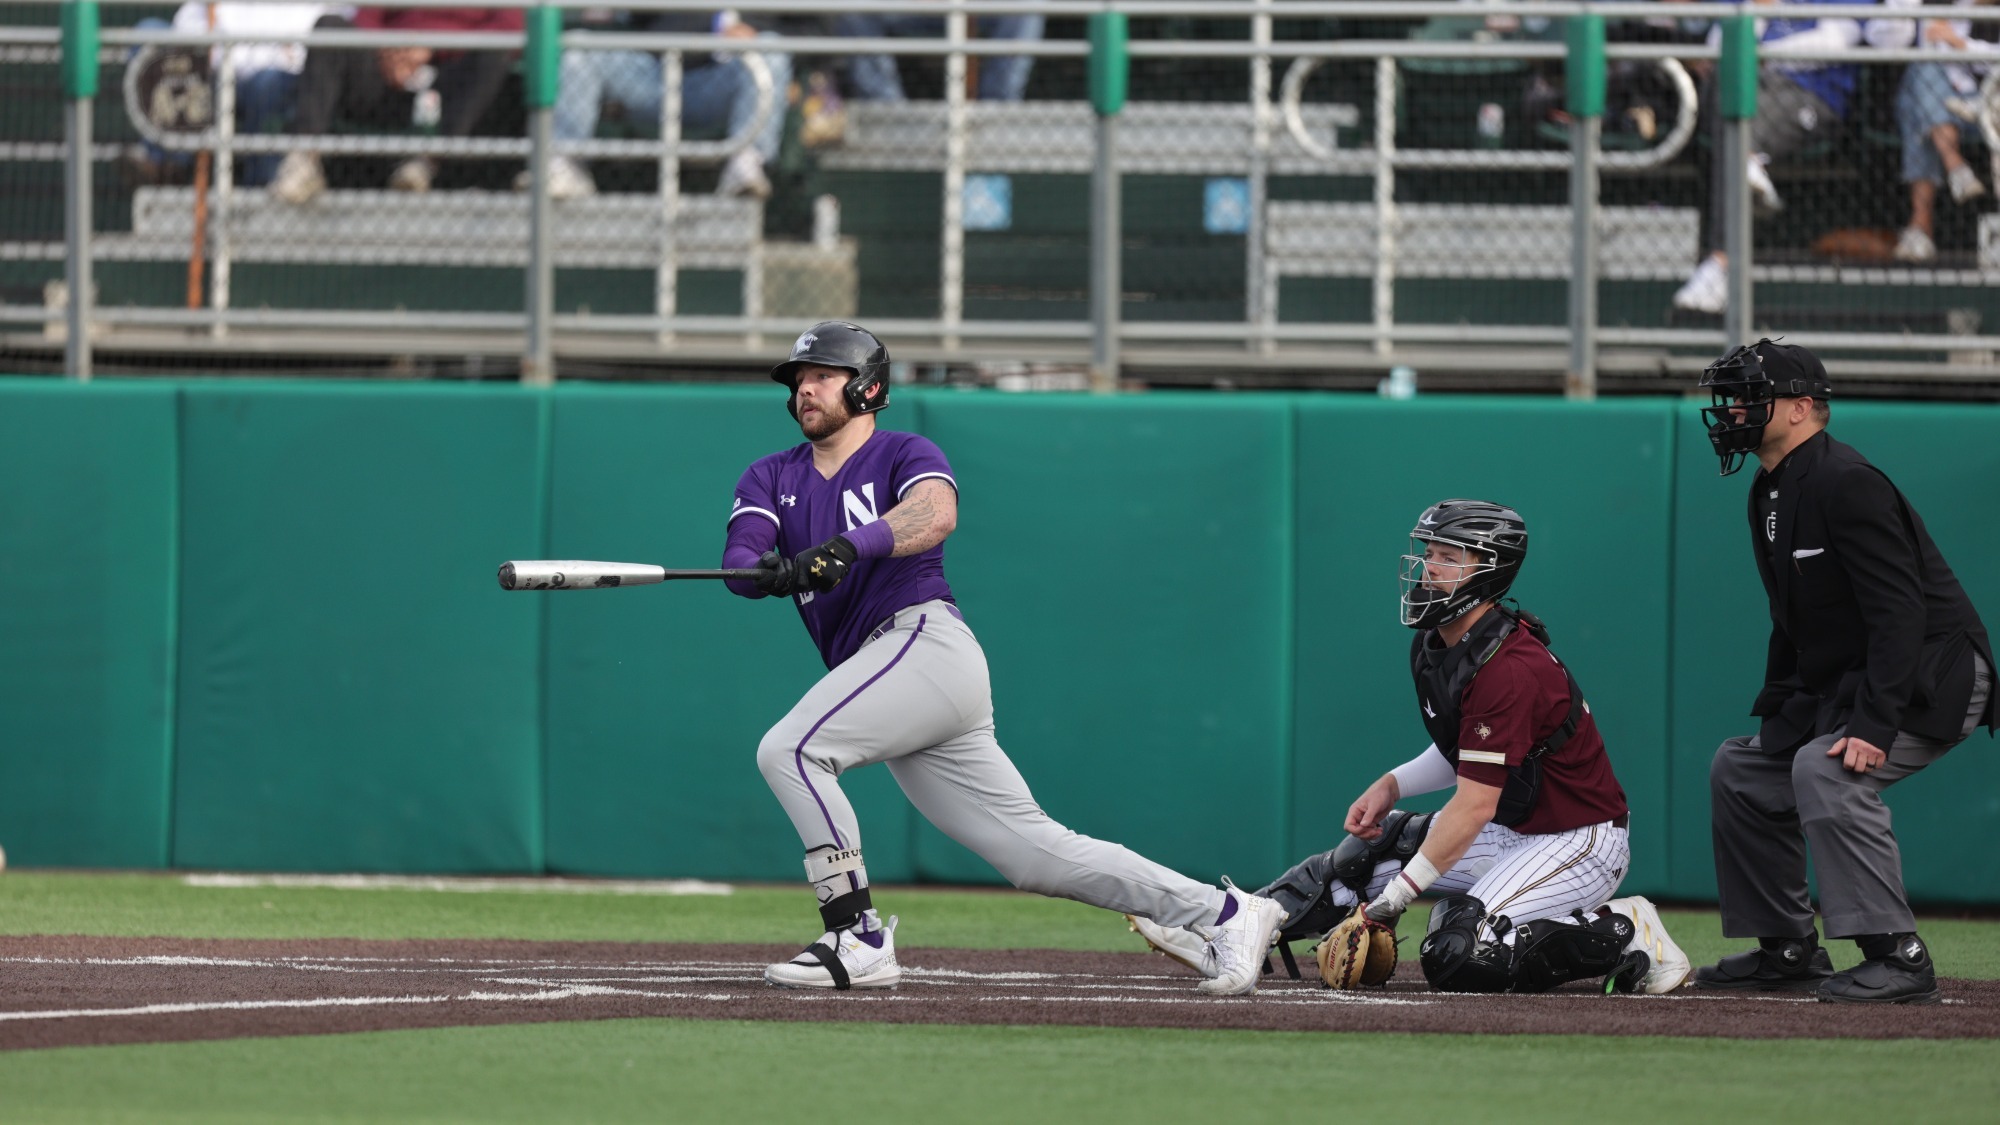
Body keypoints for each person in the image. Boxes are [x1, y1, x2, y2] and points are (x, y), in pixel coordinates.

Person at [720, 321, 1286, 995]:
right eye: (798, 378)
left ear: (867, 386)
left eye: (821, 374)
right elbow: (740, 564)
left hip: (924, 646)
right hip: (890, 677)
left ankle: (858, 932)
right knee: (1036, 855)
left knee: (790, 750)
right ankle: (1226, 912)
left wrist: (845, 546)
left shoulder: (904, 451)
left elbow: (933, 514)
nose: (804, 387)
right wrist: (766, 569)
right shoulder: (771, 473)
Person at [1130, 500, 1692, 995]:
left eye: (1449, 556)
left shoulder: (1510, 669)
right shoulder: (1436, 644)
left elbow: (1473, 804)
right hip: (1515, 831)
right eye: (1429, 552)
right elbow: (1468, 753)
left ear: (1488, 570)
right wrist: (1393, 783)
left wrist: (1397, 899)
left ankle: (1623, 928)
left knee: (1461, 955)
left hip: (1579, 840)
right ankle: (1236, 924)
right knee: (1364, 856)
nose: (1429, 565)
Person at [1694, 339, 1995, 1004]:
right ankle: (1789, 949)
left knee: (1826, 769)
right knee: (1740, 769)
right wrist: (1783, 713)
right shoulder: (1769, 488)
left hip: (1933, 676)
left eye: (1752, 395)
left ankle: (1899, 953)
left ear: (1802, 408)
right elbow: (1796, 620)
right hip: (1860, 676)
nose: (1737, 408)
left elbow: (1900, 612)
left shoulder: (1847, 480)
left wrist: (1874, 724)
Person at [1671, 0, 1865, 314]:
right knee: (1729, 83)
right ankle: (1748, 168)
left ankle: (1721, 263)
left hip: (1810, 97)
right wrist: (1757, 12)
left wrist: (1758, 53)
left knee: (1735, 109)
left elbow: (1835, 41)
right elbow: (1717, 43)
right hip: (1744, 91)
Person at [528, 7, 794, 201]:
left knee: (771, 50)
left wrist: (754, 34)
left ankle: (745, 165)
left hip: (724, 85)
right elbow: (637, 15)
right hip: (655, 77)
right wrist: (706, 26)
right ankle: (566, 164)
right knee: (580, 48)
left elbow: (818, 30)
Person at [270, 6, 522, 204]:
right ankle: (303, 160)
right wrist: (389, 49)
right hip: (389, 73)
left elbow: (511, 24)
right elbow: (367, 16)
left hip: (452, 74)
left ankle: (427, 164)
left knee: (493, 55)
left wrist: (431, 48)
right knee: (330, 26)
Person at [129, 3, 335, 188]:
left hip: (276, 77)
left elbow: (318, 38)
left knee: (267, 83)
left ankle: (261, 183)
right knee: (150, 31)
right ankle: (165, 162)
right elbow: (188, 24)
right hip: (215, 73)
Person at [1874, 0, 2000, 263]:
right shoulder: (1937, 6)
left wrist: (1959, 44)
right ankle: (1954, 165)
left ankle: (1921, 226)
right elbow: (1884, 40)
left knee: (1917, 110)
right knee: (1924, 69)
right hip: (1940, 103)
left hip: (1985, 107)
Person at [834, 4, 1043, 102]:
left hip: (975, 6)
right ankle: (885, 108)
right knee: (853, 7)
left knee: (1027, 6)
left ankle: (996, 108)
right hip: (920, 8)